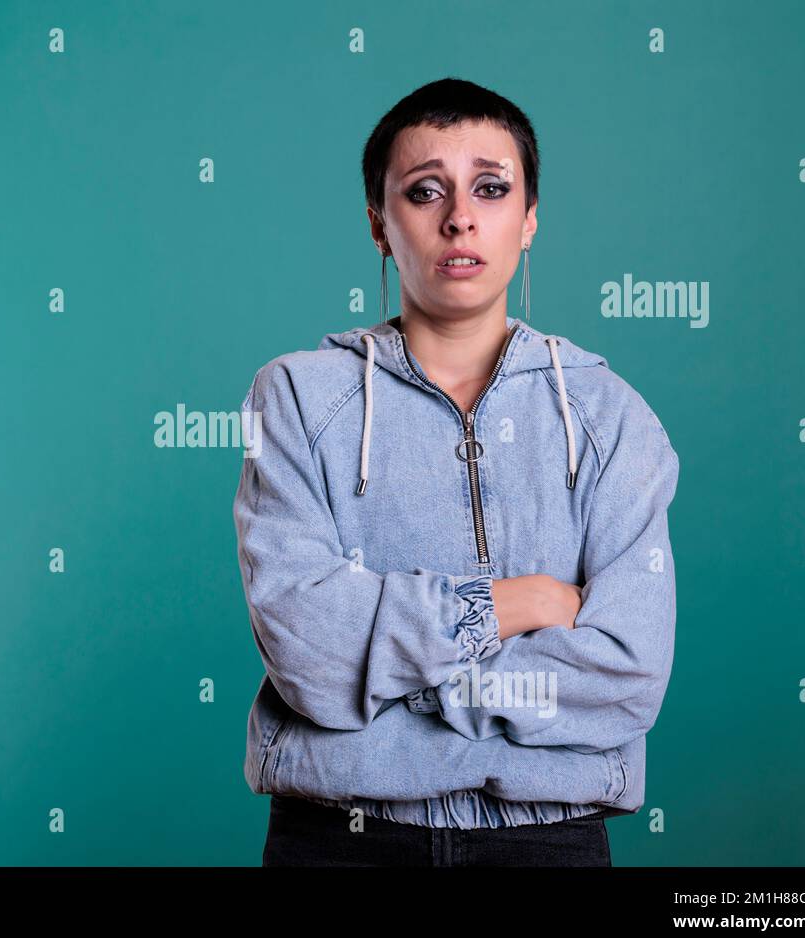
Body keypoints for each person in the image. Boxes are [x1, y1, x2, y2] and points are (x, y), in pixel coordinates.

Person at [233, 77, 680, 866]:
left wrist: (391, 681)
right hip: (341, 842)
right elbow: (311, 654)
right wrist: (514, 605)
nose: (460, 217)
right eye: (425, 190)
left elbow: (627, 672)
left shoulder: (610, 415)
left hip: (549, 844)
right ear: (379, 223)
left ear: (530, 217)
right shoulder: (298, 399)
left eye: (491, 188)